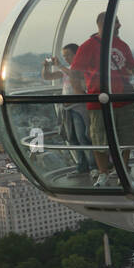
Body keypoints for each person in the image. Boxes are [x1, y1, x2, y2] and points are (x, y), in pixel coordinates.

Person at [69, 12, 134, 187]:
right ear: (104, 24)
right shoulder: (88, 46)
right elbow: (75, 73)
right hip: (99, 101)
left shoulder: (122, 45)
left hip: (123, 99)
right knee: (99, 138)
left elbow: (132, 65)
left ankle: (123, 171)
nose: (120, 26)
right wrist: (80, 93)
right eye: (116, 22)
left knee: (125, 137)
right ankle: (104, 173)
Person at [41, 42, 92, 179]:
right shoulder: (66, 70)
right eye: (64, 56)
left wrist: (60, 66)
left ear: (77, 54)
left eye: (68, 55)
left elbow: (76, 76)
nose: (66, 58)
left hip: (79, 107)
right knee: (73, 138)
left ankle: (93, 166)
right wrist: (46, 67)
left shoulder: (81, 69)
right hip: (68, 108)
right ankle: (83, 166)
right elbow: (48, 77)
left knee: (83, 137)